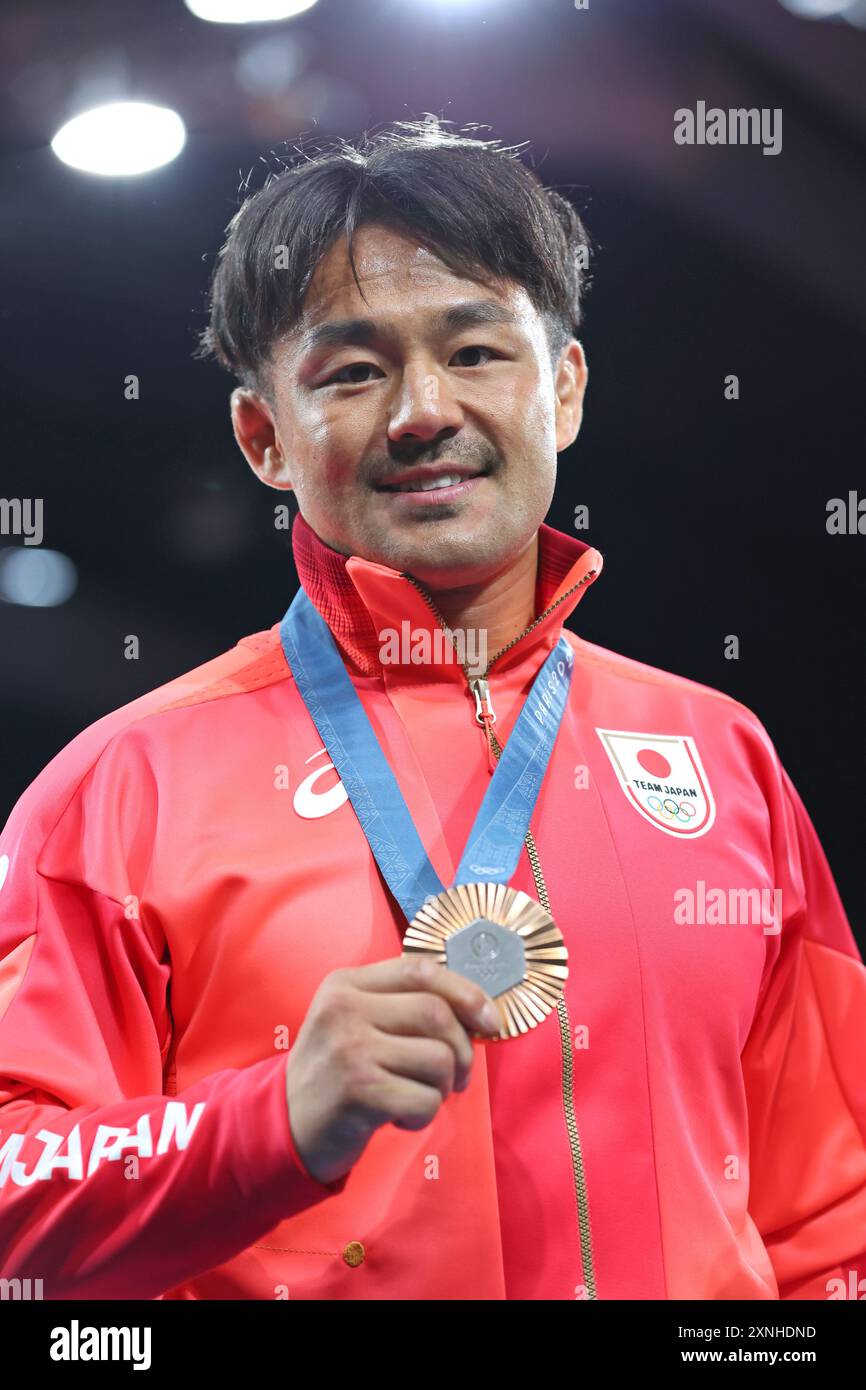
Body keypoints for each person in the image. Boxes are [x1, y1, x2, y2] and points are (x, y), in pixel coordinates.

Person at [1, 121, 864, 1302]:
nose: (421, 409)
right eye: (351, 371)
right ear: (264, 437)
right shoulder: (122, 788)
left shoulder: (721, 754)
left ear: (559, 391)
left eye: (474, 352)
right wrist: (262, 1128)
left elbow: (828, 1209)